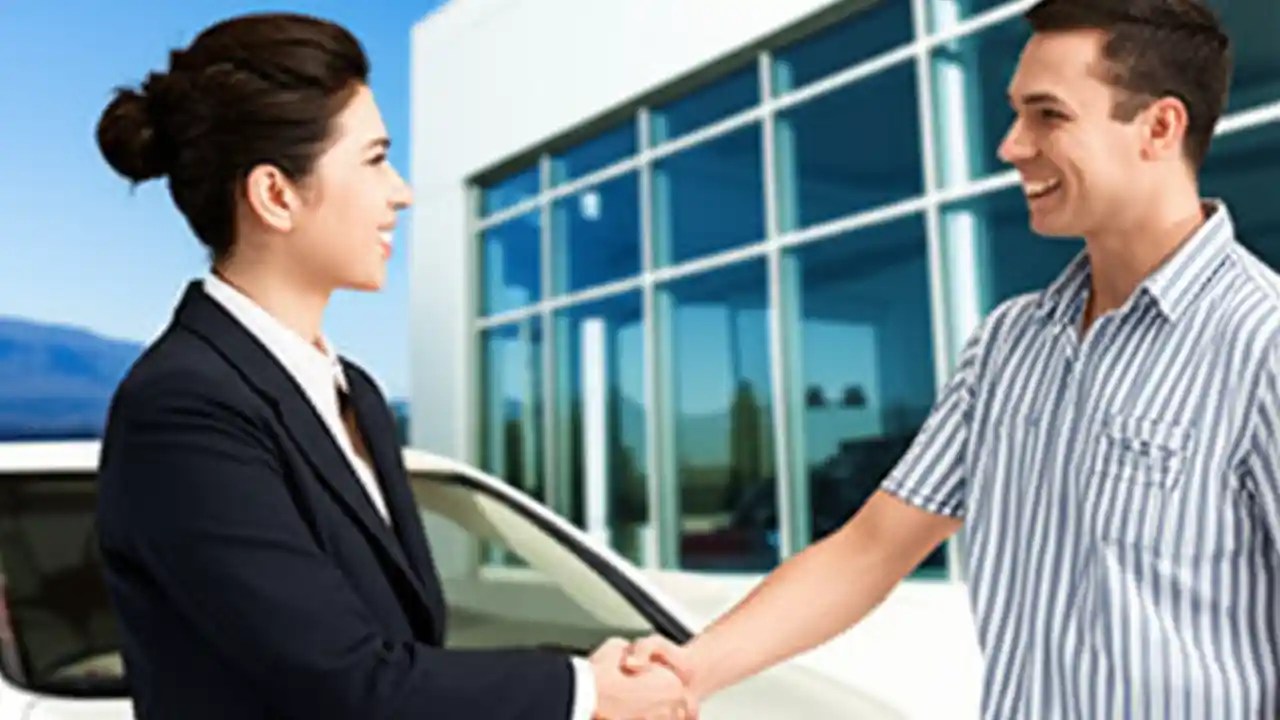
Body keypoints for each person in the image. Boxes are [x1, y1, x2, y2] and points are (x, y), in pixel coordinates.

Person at [625, 1, 1280, 718]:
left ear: (1159, 127)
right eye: (1014, 113)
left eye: (1048, 115)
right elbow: (872, 549)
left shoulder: (1262, 342)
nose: (1010, 146)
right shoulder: (1009, 344)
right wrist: (690, 670)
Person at [92, 13, 689, 720]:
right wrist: (584, 692)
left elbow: (401, 651)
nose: (401, 192)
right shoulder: (184, 407)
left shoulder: (354, 393)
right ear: (275, 195)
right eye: (375, 160)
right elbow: (344, 683)